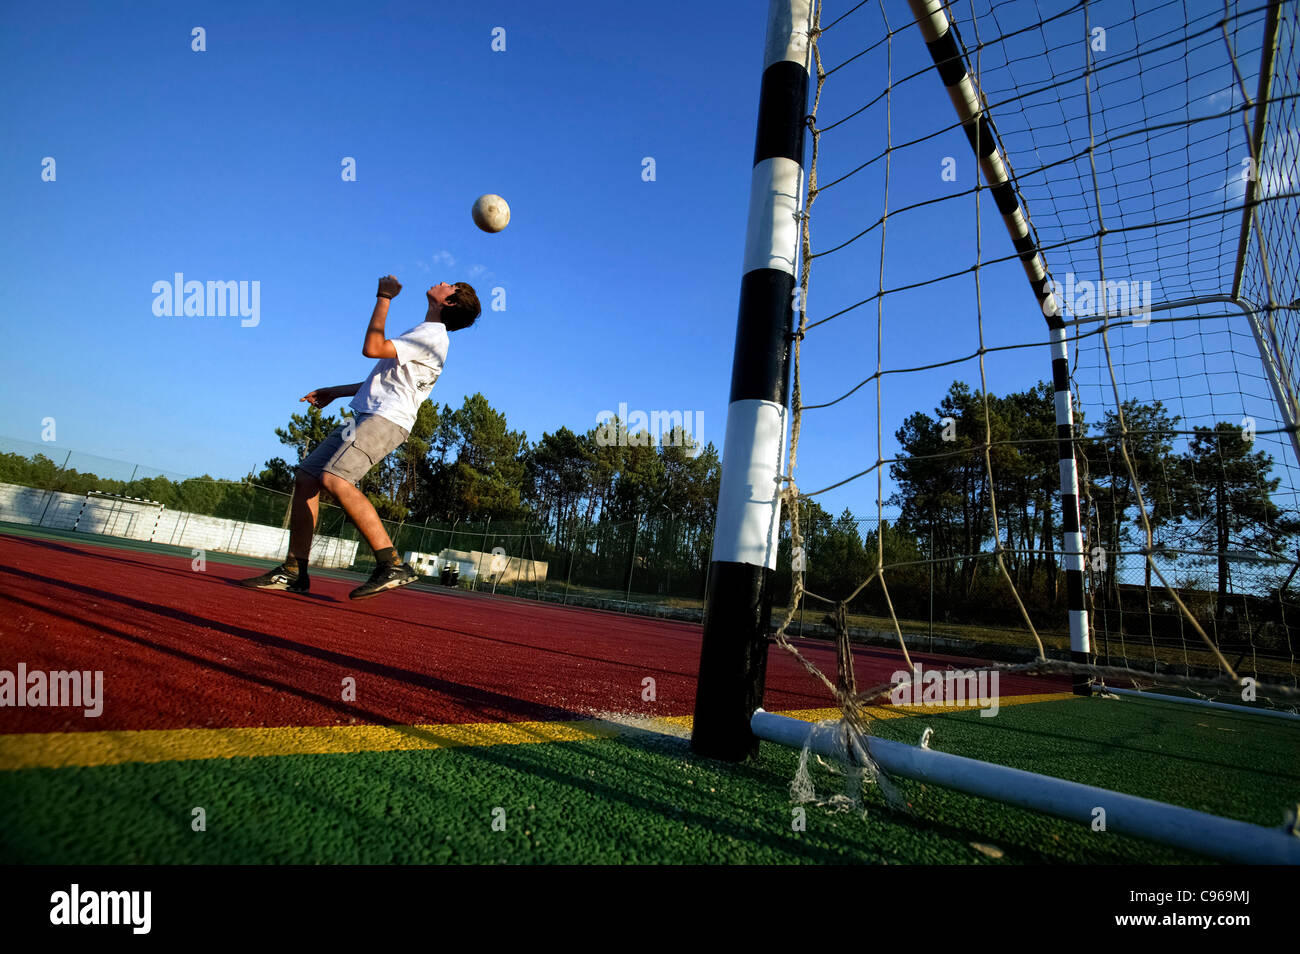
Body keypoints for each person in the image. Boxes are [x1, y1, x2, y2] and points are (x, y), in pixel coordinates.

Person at [240, 274, 480, 600]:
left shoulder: (431, 334)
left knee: (334, 479)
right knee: (308, 477)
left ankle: (390, 563)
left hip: (385, 420)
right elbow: (387, 380)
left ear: (449, 302)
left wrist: (384, 297)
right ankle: (294, 570)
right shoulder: (429, 336)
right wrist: (335, 391)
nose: (442, 282)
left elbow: (372, 348)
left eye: (450, 285)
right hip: (369, 414)